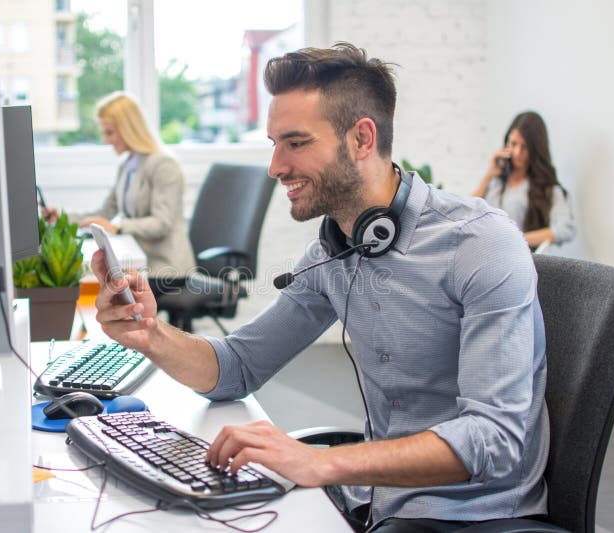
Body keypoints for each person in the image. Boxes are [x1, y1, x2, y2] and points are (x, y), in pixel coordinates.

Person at [90, 43, 549, 532]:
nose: (275, 167)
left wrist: (322, 463)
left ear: (361, 139)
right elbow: (237, 367)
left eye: (296, 142)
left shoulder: (479, 243)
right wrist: (149, 334)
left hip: (472, 515)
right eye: (273, 143)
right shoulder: (337, 252)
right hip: (378, 500)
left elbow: (494, 439)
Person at [42, 91, 195, 295]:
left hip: (165, 269)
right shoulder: (128, 165)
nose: (106, 140)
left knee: (105, 290)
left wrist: (117, 227)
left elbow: (162, 223)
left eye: (110, 132)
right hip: (140, 260)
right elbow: (105, 212)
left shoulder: (164, 165)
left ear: (129, 129)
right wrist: (62, 217)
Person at [472, 111, 576, 249]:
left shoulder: (547, 189)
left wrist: (517, 238)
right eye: (513, 144)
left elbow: (565, 229)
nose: (517, 153)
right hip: (484, 254)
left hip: (518, 260)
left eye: (524, 147)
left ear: (535, 149)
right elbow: (467, 212)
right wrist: (488, 175)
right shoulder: (494, 180)